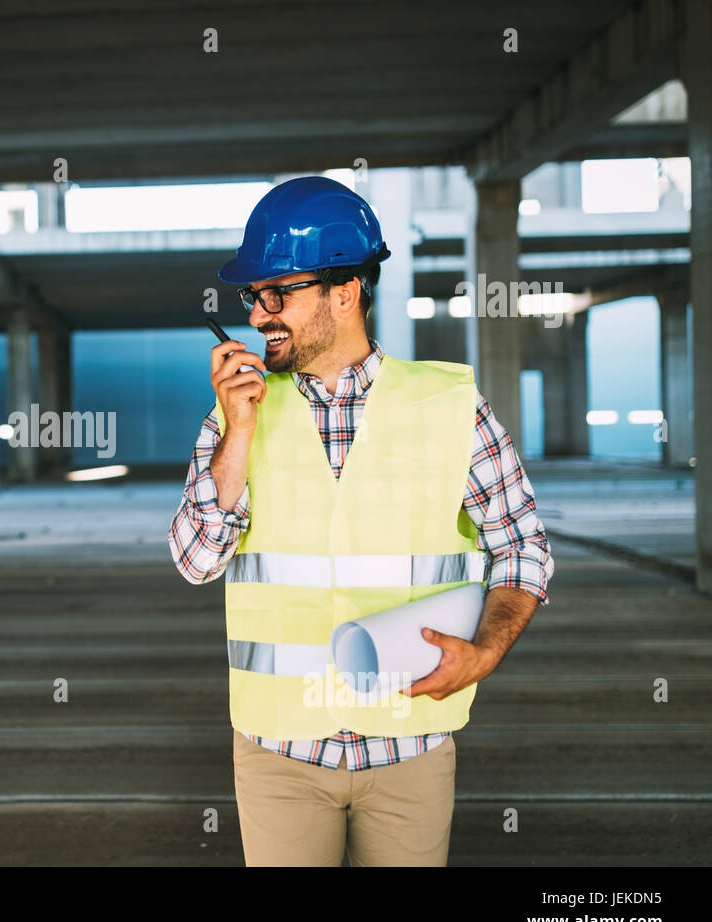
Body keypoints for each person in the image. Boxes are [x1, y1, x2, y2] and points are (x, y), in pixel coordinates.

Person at [167, 175, 553, 866]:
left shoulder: (450, 406)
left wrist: (489, 649)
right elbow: (197, 560)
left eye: (277, 294)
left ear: (345, 292)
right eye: (254, 299)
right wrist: (240, 432)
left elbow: (522, 545)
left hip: (410, 748)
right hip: (280, 754)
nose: (259, 317)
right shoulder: (235, 417)